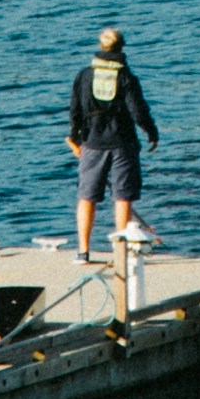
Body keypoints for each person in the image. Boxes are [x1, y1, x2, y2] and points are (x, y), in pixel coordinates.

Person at [67, 23, 157, 260]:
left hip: (91, 143)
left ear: (101, 46)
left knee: (87, 197)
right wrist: (151, 132)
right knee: (123, 196)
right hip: (123, 143)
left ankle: (83, 251)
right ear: (121, 47)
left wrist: (76, 138)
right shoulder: (126, 77)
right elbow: (138, 112)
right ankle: (121, 252)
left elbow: (75, 110)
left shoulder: (84, 76)